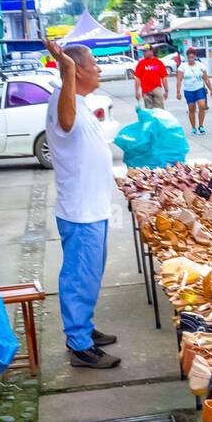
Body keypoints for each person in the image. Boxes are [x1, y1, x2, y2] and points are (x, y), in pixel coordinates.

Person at [43, 41, 121, 369]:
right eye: (93, 63)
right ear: (76, 70)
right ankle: (80, 346)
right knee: (79, 278)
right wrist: (68, 71)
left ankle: (84, 328)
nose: (99, 68)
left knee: (90, 275)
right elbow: (66, 121)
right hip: (80, 212)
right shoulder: (65, 103)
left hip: (93, 209)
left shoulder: (81, 102)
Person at [177, 48, 212, 135]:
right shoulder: (182, 67)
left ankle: (201, 126)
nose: (191, 59)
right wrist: (178, 92)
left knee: (202, 106)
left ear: (195, 57)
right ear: (187, 57)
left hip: (199, 89)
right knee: (191, 109)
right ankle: (193, 127)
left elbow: (206, 79)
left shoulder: (200, 65)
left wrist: (211, 90)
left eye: (192, 57)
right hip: (189, 91)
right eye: (189, 57)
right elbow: (179, 80)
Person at [131, 44, 169, 110]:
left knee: (160, 109)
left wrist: (166, 90)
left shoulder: (158, 62)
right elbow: (137, 78)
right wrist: (137, 91)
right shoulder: (141, 63)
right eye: (143, 51)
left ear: (151, 51)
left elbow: (164, 77)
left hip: (157, 88)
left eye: (146, 51)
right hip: (146, 90)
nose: (144, 53)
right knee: (149, 110)